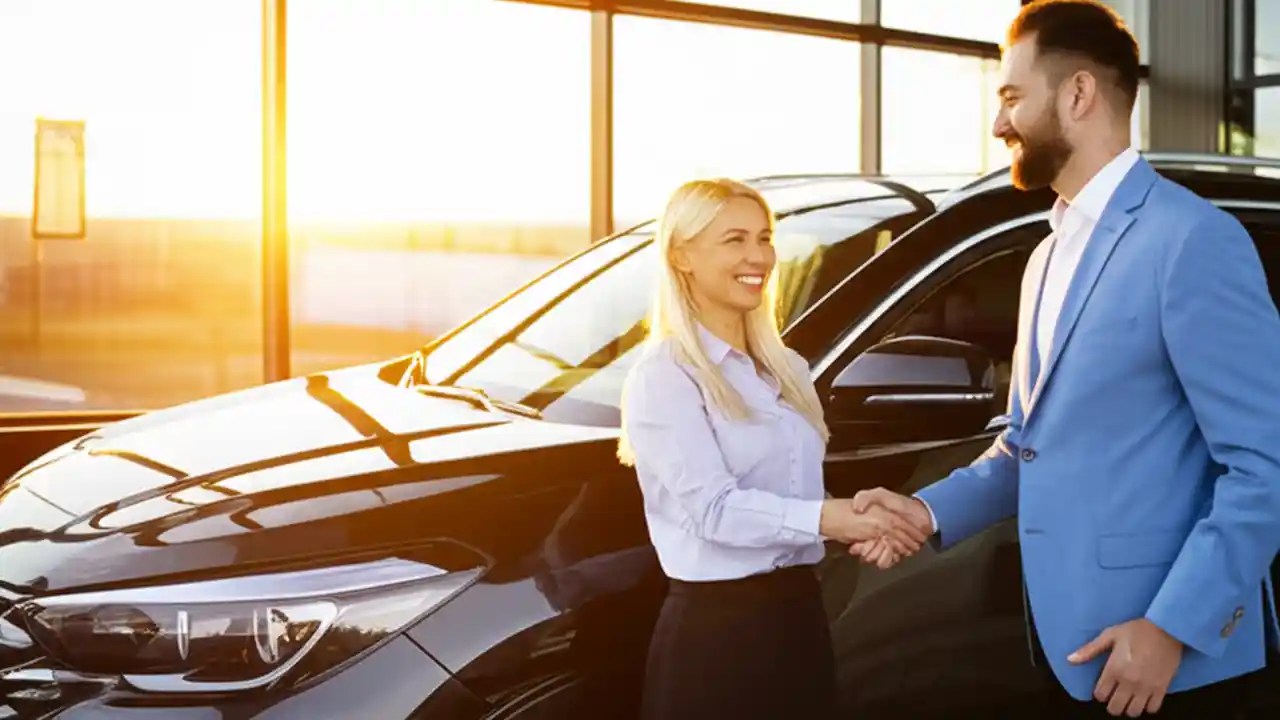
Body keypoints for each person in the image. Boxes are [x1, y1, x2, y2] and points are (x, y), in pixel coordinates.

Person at [850, 1, 1280, 717]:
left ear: (1077, 94)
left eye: (1012, 97)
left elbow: (1264, 464)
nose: (998, 124)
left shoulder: (1193, 240)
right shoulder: (1045, 256)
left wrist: (1172, 627)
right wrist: (925, 512)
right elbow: (1027, 443)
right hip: (1068, 650)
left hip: (1170, 668)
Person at [617, 177, 927, 720]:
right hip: (717, 644)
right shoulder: (665, 377)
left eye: (764, 238)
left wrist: (862, 522)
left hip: (800, 624)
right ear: (682, 255)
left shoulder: (789, 370)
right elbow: (715, 510)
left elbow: (794, 496)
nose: (757, 255)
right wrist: (829, 520)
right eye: (734, 240)